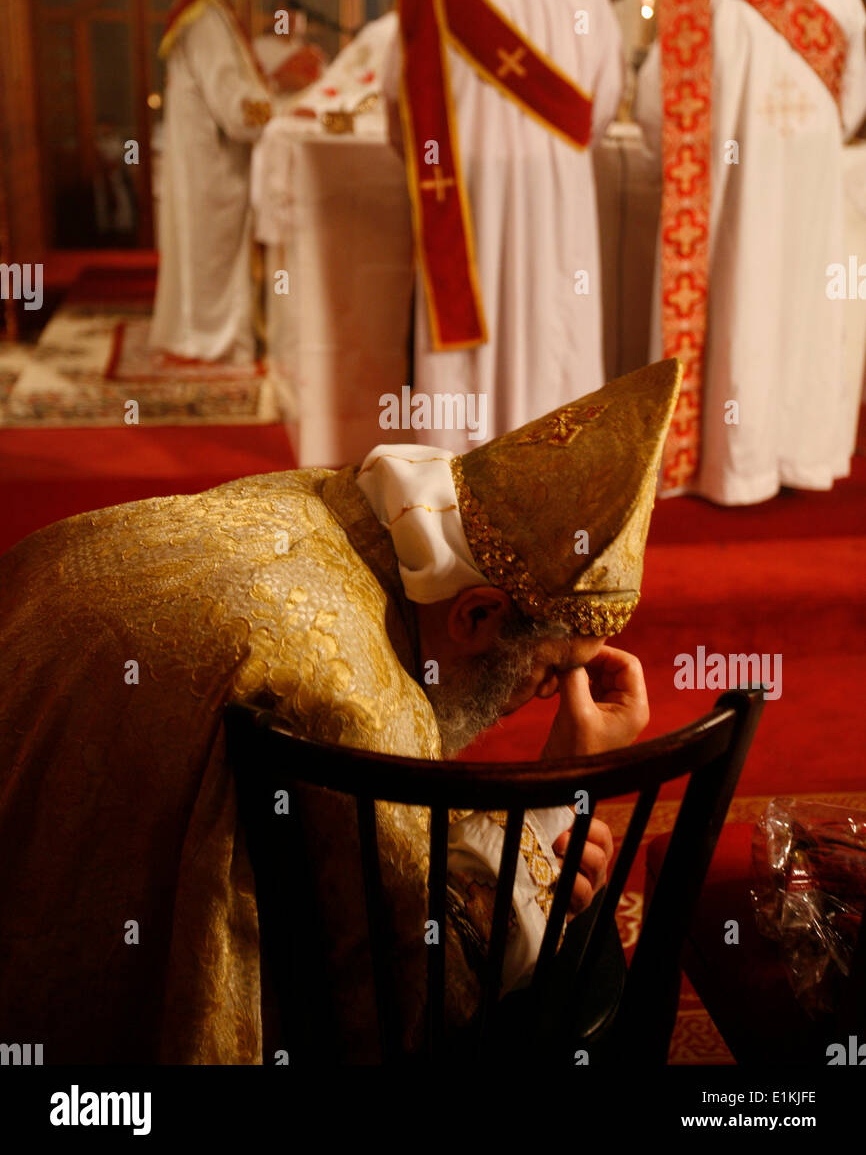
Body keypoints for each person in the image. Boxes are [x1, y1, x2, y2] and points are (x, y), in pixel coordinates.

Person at [0, 358, 681, 1064]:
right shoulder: (363, 701)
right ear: (477, 614)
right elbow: (408, 1000)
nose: (537, 701)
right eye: (548, 677)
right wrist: (548, 805)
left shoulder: (318, 500)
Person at [634, 0, 866, 505]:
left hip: (725, 211)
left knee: (739, 308)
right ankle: (801, 454)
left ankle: (725, 465)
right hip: (811, 199)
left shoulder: (691, 5)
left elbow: (655, 119)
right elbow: (851, 110)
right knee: (802, 315)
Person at [383, 0, 625, 451]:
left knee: (467, 345)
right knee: (552, 322)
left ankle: (454, 478)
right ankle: (556, 466)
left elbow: (398, 106)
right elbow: (608, 90)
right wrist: (561, 151)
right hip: (557, 188)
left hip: (461, 198)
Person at [149, 0, 273, 366]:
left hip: (208, 165)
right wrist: (280, 111)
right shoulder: (204, 19)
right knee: (209, 260)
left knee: (204, 259)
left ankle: (201, 335)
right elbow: (235, 107)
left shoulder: (211, 11)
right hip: (212, 167)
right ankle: (211, 340)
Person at [252, 0, 327, 94]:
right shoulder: (258, 47)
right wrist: (280, 84)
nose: (290, 20)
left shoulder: (309, 51)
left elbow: (323, 84)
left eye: (294, 17)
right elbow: (251, 85)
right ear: (274, 18)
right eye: (285, 15)